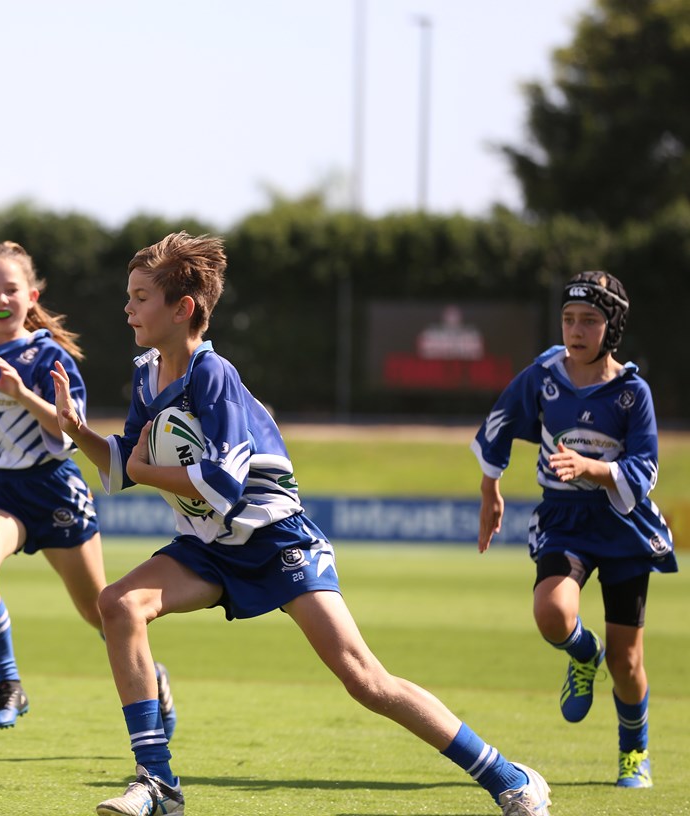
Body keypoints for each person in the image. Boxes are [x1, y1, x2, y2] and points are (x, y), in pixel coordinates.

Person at [51, 232, 551, 816]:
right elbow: (122, 469)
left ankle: (508, 776)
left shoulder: (214, 376)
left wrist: (143, 466)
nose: (128, 308)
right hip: (211, 546)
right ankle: (158, 786)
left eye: (140, 297)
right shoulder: (146, 374)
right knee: (118, 605)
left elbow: (224, 483)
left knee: (366, 680)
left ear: (183, 308)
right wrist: (79, 431)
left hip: (276, 539)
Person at [0, 241, 176, 734]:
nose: (2, 298)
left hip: (52, 489)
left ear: (30, 296)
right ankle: (9, 682)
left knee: (100, 611)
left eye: (12, 289)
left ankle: (153, 674)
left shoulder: (48, 356)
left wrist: (23, 394)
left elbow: (66, 430)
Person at [473, 270, 675, 789]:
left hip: (624, 526)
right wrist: (489, 491)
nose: (576, 330)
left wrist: (595, 469)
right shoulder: (543, 377)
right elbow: (498, 425)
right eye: (568, 320)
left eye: (589, 320)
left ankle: (635, 753)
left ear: (613, 327)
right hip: (564, 520)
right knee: (552, 613)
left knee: (629, 661)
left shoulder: (632, 393)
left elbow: (646, 470)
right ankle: (584, 655)